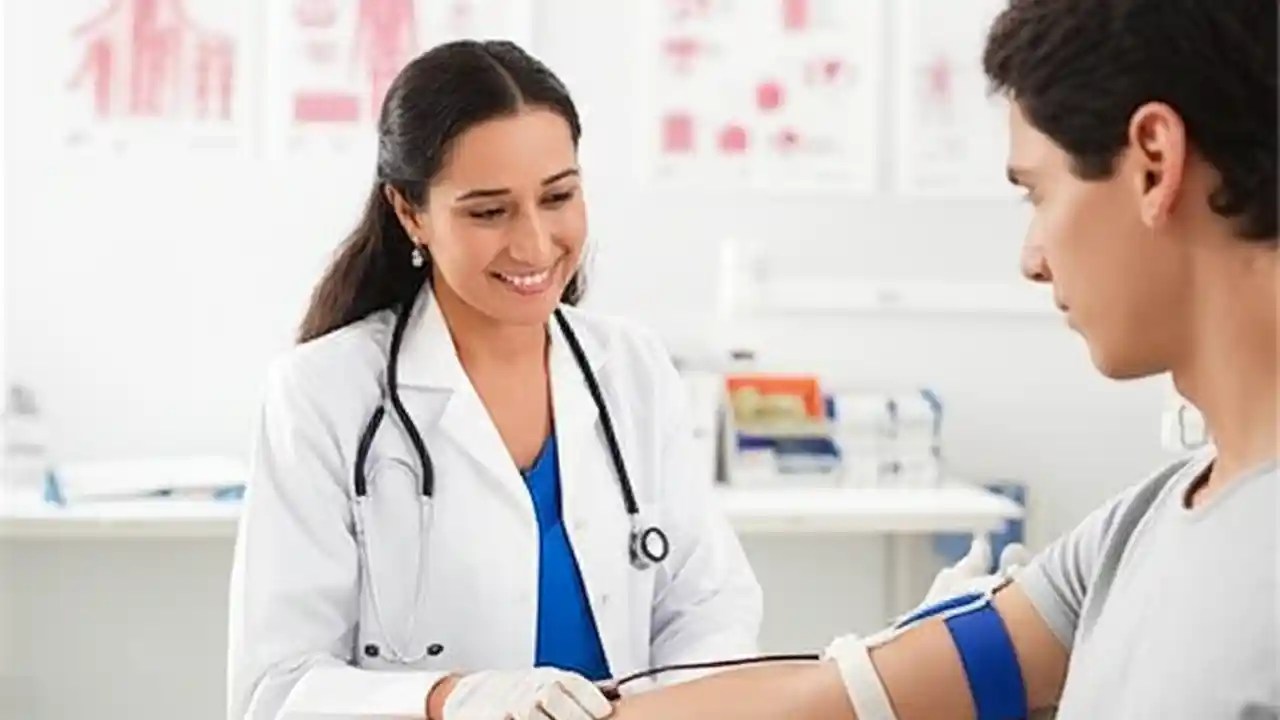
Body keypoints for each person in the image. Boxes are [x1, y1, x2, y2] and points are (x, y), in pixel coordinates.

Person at [436, 0, 1280, 717]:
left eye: (1038, 192)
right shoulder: (1134, 536)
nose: (1032, 256)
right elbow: (844, 695)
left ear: (1154, 163)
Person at [225, 40, 762, 720]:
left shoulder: (631, 368)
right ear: (409, 211)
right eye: (488, 211)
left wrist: (664, 708)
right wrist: (453, 699)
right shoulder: (323, 394)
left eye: (558, 196)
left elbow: (711, 606)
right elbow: (278, 689)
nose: (535, 244)